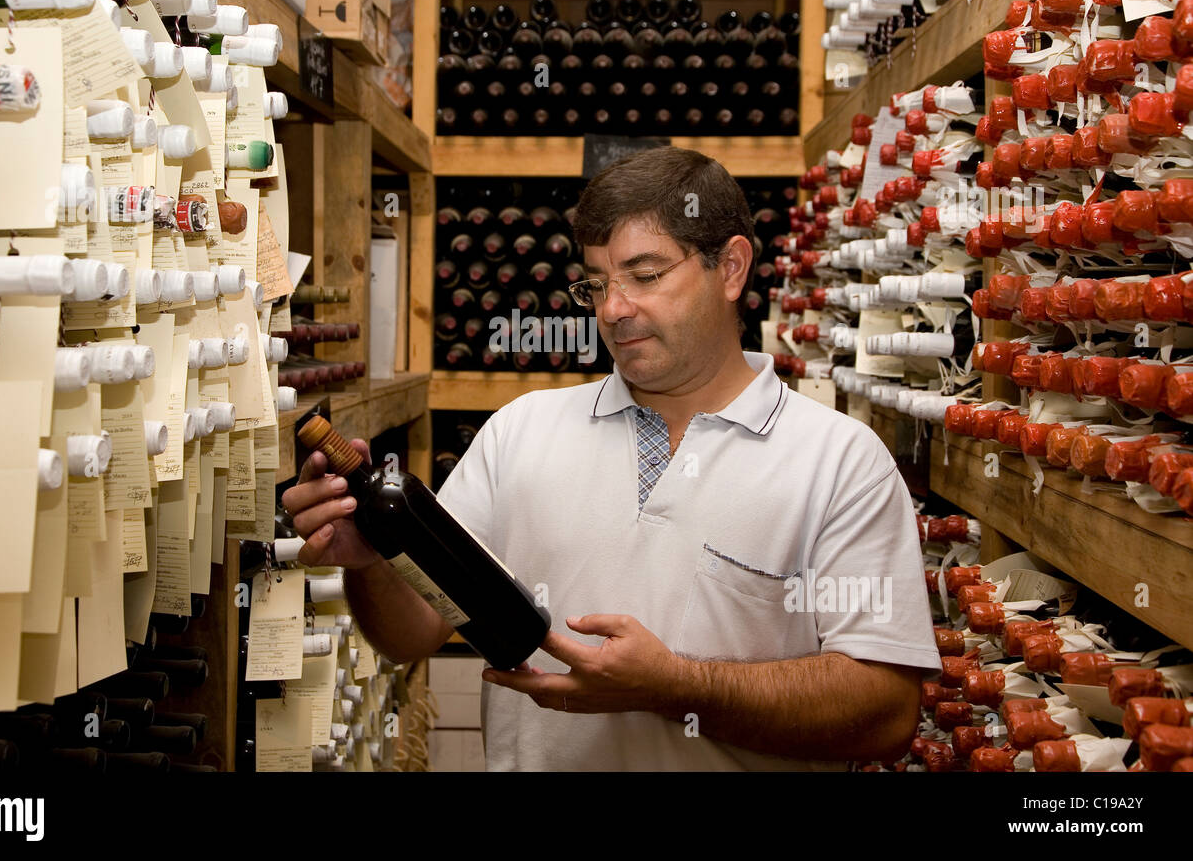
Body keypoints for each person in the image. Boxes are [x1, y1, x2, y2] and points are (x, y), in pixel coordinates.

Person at [282, 146, 942, 770]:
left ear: (732, 268)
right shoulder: (520, 433)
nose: (614, 310)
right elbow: (412, 633)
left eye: (646, 276)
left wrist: (675, 687)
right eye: (596, 286)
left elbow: (883, 712)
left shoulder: (839, 462)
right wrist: (372, 560)